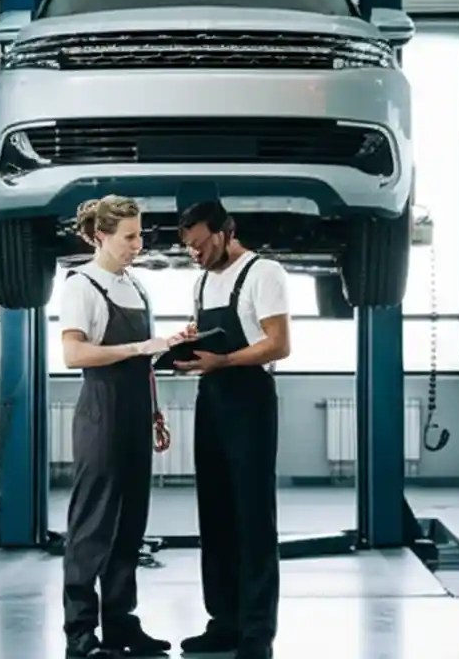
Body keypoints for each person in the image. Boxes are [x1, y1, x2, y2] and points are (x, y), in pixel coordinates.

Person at [59, 195, 179, 658]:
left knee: (131, 525)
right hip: (101, 414)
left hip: (135, 414)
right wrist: (139, 347)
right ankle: (81, 636)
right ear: (100, 236)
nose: (138, 244)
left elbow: (145, 358)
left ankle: (122, 625)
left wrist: (155, 405)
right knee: (92, 528)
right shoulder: (82, 285)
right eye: (129, 236)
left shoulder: (136, 285)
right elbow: (75, 354)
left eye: (140, 234)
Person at [171, 200, 291, 659]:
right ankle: (224, 621)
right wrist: (191, 344)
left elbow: (278, 344)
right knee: (215, 514)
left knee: (254, 517)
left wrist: (222, 360)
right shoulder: (202, 279)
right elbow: (214, 336)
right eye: (189, 248)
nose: (195, 254)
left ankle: (257, 632)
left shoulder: (264, 273)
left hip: (250, 400)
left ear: (225, 231)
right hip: (212, 400)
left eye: (201, 245)